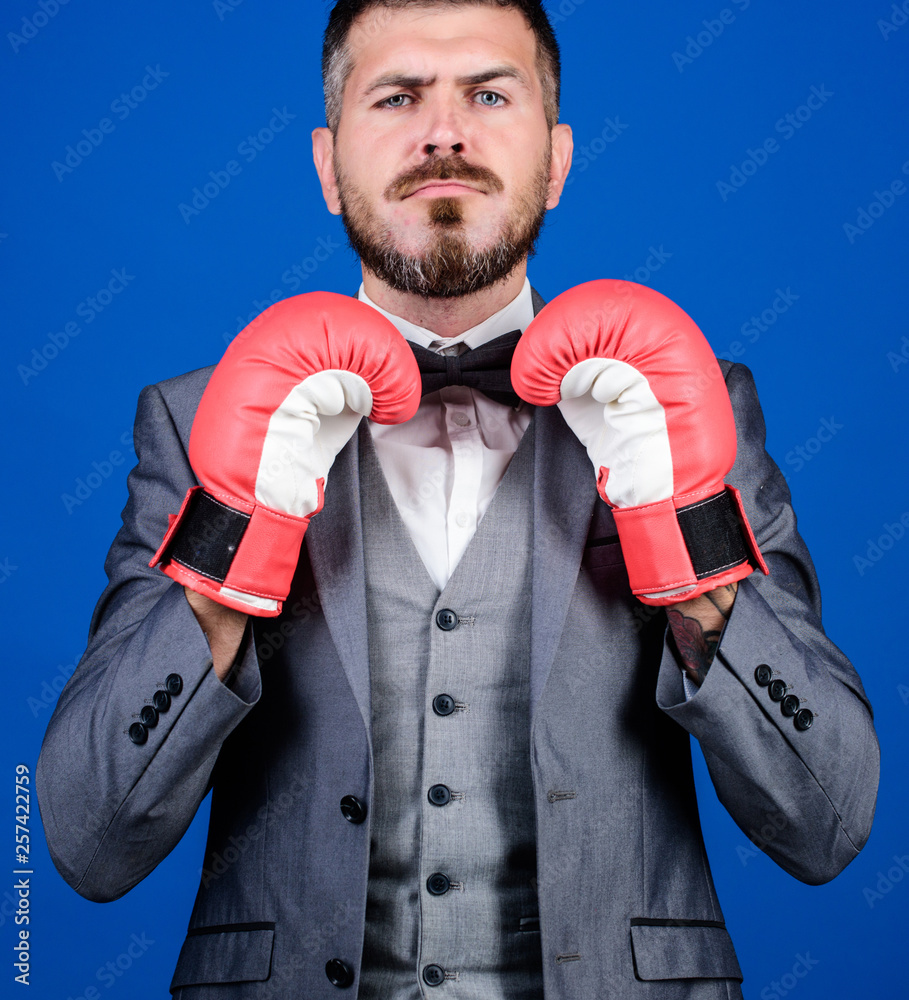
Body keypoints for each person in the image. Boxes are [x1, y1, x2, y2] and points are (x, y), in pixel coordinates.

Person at [37, 2, 880, 997]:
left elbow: (830, 822)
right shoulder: (192, 419)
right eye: (397, 96)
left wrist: (686, 545)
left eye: (489, 93)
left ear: (558, 160)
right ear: (325, 162)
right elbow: (88, 840)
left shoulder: (691, 400)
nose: (445, 131)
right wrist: (234, 540)